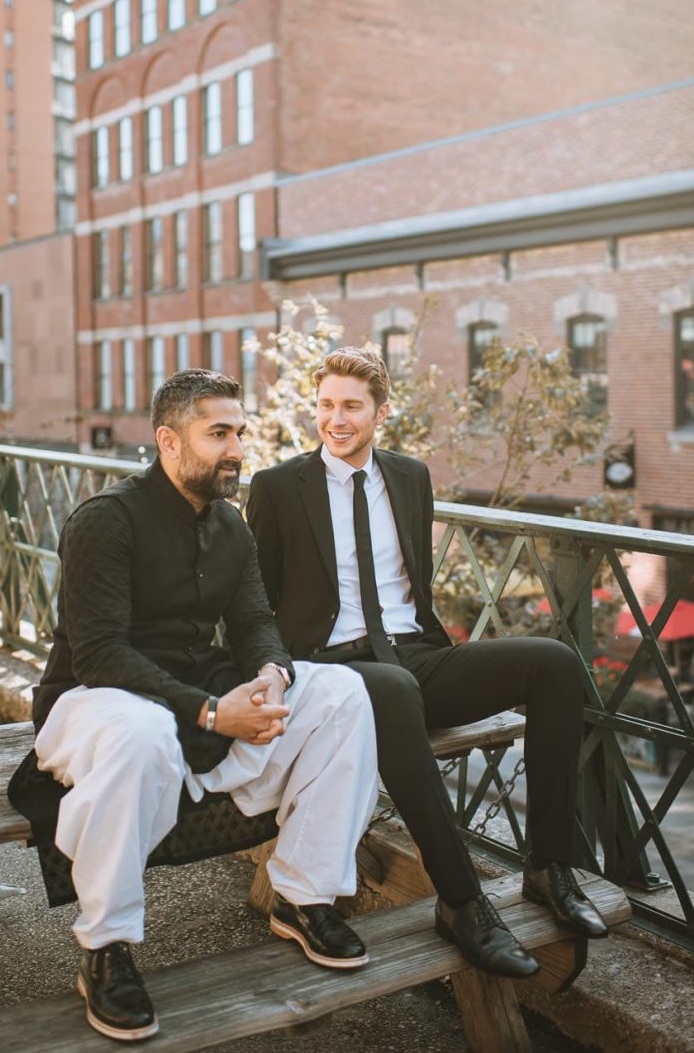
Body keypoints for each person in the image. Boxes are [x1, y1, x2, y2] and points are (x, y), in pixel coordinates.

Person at [14, 370, 379, 1042]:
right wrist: (211, 712)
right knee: (144, 729)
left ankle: (304, 894)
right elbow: (99, 654)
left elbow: (254, 620)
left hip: (190, 688)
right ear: (168, 441)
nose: (237, 446)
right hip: (93, 700)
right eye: (219, 432)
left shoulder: (230, 524)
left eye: (240, 430)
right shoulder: (105, 520)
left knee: (341, 692)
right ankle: (107, 946)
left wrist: (271, 673)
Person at [247, 347, 609, 981]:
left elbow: (414, 585)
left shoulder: (410, 477)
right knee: (391, 691)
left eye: (352, 406)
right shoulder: (278, 488)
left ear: (381, 412)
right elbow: (258, 603)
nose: (337, 419)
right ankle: (463, 902)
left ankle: (549, 869)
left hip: (414, 655)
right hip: (333, 672)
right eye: (326, 405)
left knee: (554, 664)